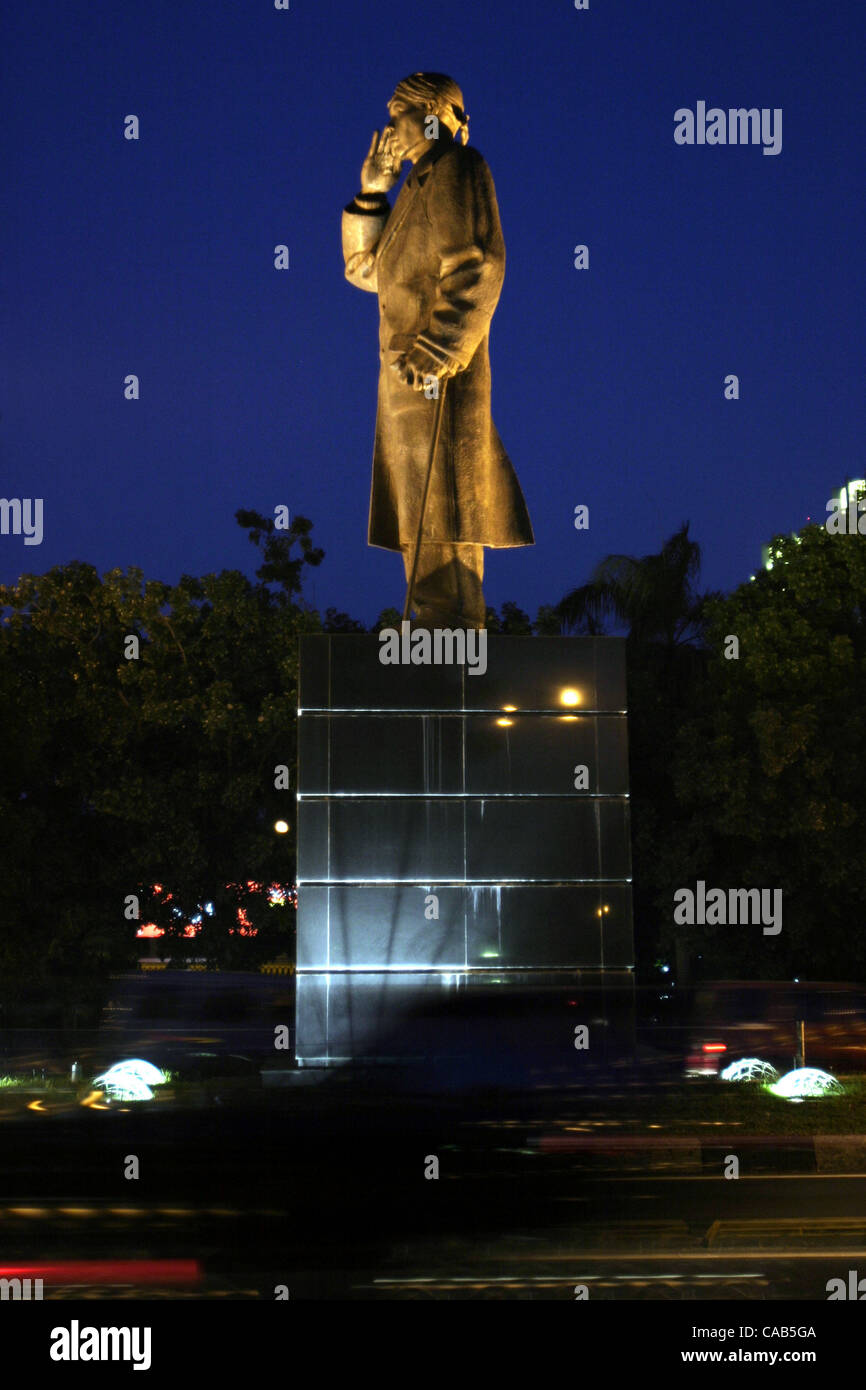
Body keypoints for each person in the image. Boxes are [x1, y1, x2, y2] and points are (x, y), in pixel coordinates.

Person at [342, 72, 533, 629]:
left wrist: (442, 344)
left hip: (436, 369)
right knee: (416, 511)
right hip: (405, 380)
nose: (390, 125)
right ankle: (437, 622)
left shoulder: (457, 168)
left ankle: (451, 626)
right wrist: (373, 194)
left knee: (444, 501)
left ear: (434, 113)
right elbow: (366, 272)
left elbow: (479, 262)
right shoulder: (415, 187)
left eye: (398, 110)